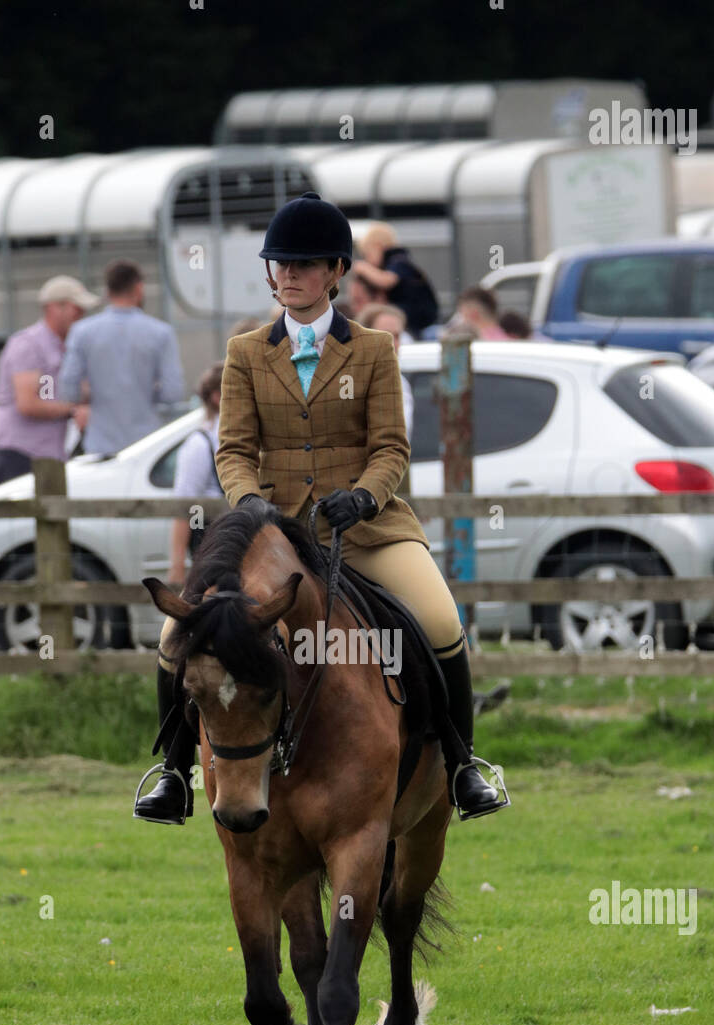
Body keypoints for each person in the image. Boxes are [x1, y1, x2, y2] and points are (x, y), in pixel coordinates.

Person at [134, 190, 507, 826]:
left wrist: (363, 495)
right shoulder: (247, 353)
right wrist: (253, 508)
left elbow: (391, 447)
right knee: (175, 636)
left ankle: (465, 763)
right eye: (278, 264)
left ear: (336, 272)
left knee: (443, 622)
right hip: (271, 537)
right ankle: (173, 773)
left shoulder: (373, 351)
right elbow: (233, 451)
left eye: (303, 265)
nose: (287, 276)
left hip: (366, 529)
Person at [57, 259, 186, 456]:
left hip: (101, 443)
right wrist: (145, 393)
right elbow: (173, 392)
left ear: (107, 291)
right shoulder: (161, 333)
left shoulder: (82, 332)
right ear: (139, 288)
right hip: (147, 443)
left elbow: (68, 387)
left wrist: (90, 396)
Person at [0, 275, 98, 485]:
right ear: (55, 308)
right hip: (22, 455)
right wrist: (74, 410)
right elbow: (29, 404)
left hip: (47, 455)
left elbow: (53, 394)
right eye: (77, 309)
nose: (82, 316)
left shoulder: (64, 347)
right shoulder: (29, 346)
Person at [167, 362, 224, 585]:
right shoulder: (201, 443)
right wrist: (178, 564)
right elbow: (185, 506)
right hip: (214, 546)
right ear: (217, 397)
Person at [352, 222, 439, 340]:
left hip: (419, 316)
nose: (368, 260)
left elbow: (387, 281)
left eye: (368, 254)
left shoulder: (398, 260)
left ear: (377, 246)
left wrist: (363, 268)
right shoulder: (393, 263)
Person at [355, 302, 414, 440]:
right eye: (385, 335)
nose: (393, 343)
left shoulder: (401, 382)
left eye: (397, 336)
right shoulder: (347, 378)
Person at [444, 286, 510, 341]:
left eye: (461, 312)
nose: (459, 318)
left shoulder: (473, 341)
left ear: (474, 314)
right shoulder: (505, 340)